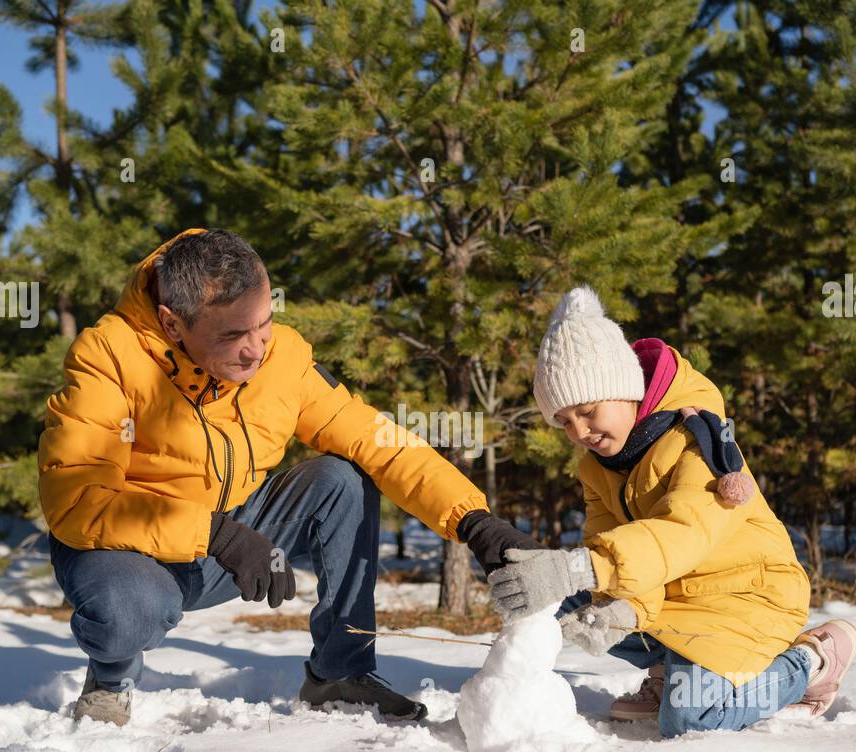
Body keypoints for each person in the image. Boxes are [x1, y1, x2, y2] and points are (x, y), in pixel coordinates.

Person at [38, 228, 538, 726]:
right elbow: (78, 501)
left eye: (264, 325)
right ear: (172, 324)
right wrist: (215, 534)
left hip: (233, 534)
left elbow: (375, 438)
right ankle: (111, 677)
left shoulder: (285, 357)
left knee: (340, 479)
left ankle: (340, 673)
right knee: (126, 613)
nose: (256, 350)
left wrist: (473, 519)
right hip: (128, 552)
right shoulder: (107, 357)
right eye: (232, 336)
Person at [486, 286, 856, 738]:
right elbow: (628, 553)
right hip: (678, 599)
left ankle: (810, 662)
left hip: (744, 599)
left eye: (587, 411)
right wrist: (624, 612)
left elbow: (680, 536)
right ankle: (669, 669)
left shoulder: (696, 439)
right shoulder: (598, 468)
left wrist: (579, 569)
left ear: (623, 390)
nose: (579, 431)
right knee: (568, 605)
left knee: (689, 720)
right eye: (564, 421)